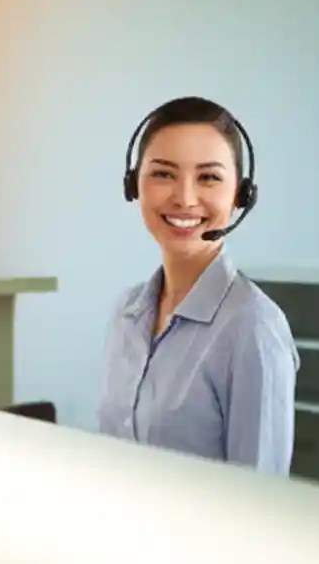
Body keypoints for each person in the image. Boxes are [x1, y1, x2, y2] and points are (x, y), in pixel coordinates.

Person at [97, 96, 299, 474]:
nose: (185, 198)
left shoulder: (254, 329)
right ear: (133, 185)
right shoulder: (126, 313)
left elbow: (262, 505)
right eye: (163, 174)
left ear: (241, 194)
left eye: (208, 177)